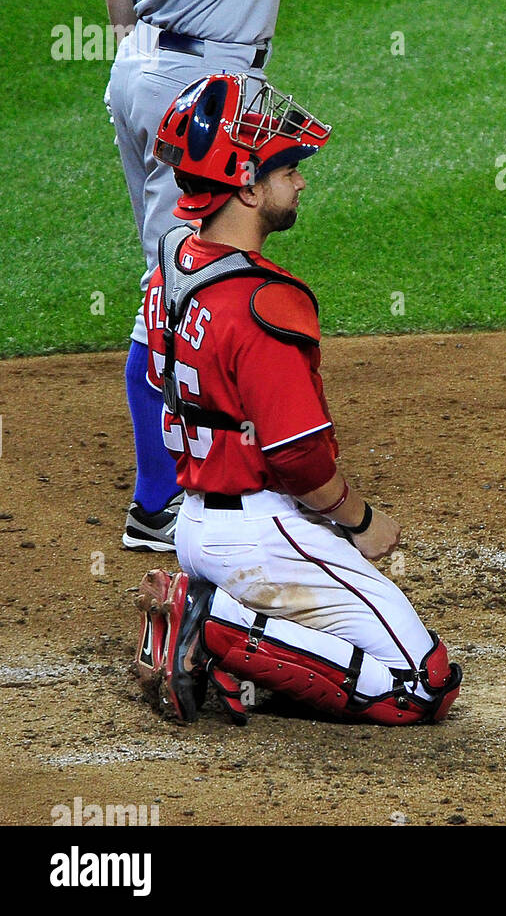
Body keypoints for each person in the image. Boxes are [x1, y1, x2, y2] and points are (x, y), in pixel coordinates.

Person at [95, 0, 506, 551]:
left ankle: (169, 479)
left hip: (141, 70)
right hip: (198, 88)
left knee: (167, 273)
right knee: (178, 289)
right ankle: (156, 501)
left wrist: (140, 57)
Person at [132, 72, 461, 725]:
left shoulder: (173, 260)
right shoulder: (261, 302)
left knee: (336, 646)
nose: (301, 180)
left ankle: (224, 655)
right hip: (261, 534)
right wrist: (361, 521)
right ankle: (205, 623)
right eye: (285, 168)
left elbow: (149, 380)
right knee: (422, 686)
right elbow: (300, 459)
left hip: (195, 523)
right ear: (248, 188)